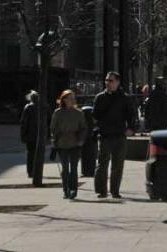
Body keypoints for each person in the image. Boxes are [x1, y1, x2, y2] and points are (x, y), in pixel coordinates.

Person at [93, 71, 136, 199]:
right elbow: (95, 115)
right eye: (106, 80)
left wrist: (131, 128)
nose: (108, 83)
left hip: (119, 135)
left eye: (111, 80)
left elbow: (131, 115)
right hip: (105, 135)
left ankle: (115, 191)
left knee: (118, 165)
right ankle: (102, 190)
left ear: (117, 82)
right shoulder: (100, 97)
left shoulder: (125, 98)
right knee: (102, 165)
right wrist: (98, 125)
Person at [50, 89, 87, 199]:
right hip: (62, 144)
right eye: (69, 98)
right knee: (65, 168)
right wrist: (54, 140)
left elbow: (83, 128)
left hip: (75, 143)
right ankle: (65, 189)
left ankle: (73, 189)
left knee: (74, 168)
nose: (72, 100)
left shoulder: (79, 113)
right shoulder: (58, 113)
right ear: (64, 99)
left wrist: (81, 139)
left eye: (73, 98)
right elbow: (53, 128)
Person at [20, 90, 39, 178]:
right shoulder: (42, 107)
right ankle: (36, 170)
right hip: (38, 135)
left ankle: (30, 171)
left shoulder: (28, 107)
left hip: (30, 135)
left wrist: (23, 135)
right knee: (37, 153)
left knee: (30, 154)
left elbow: (24, 123)